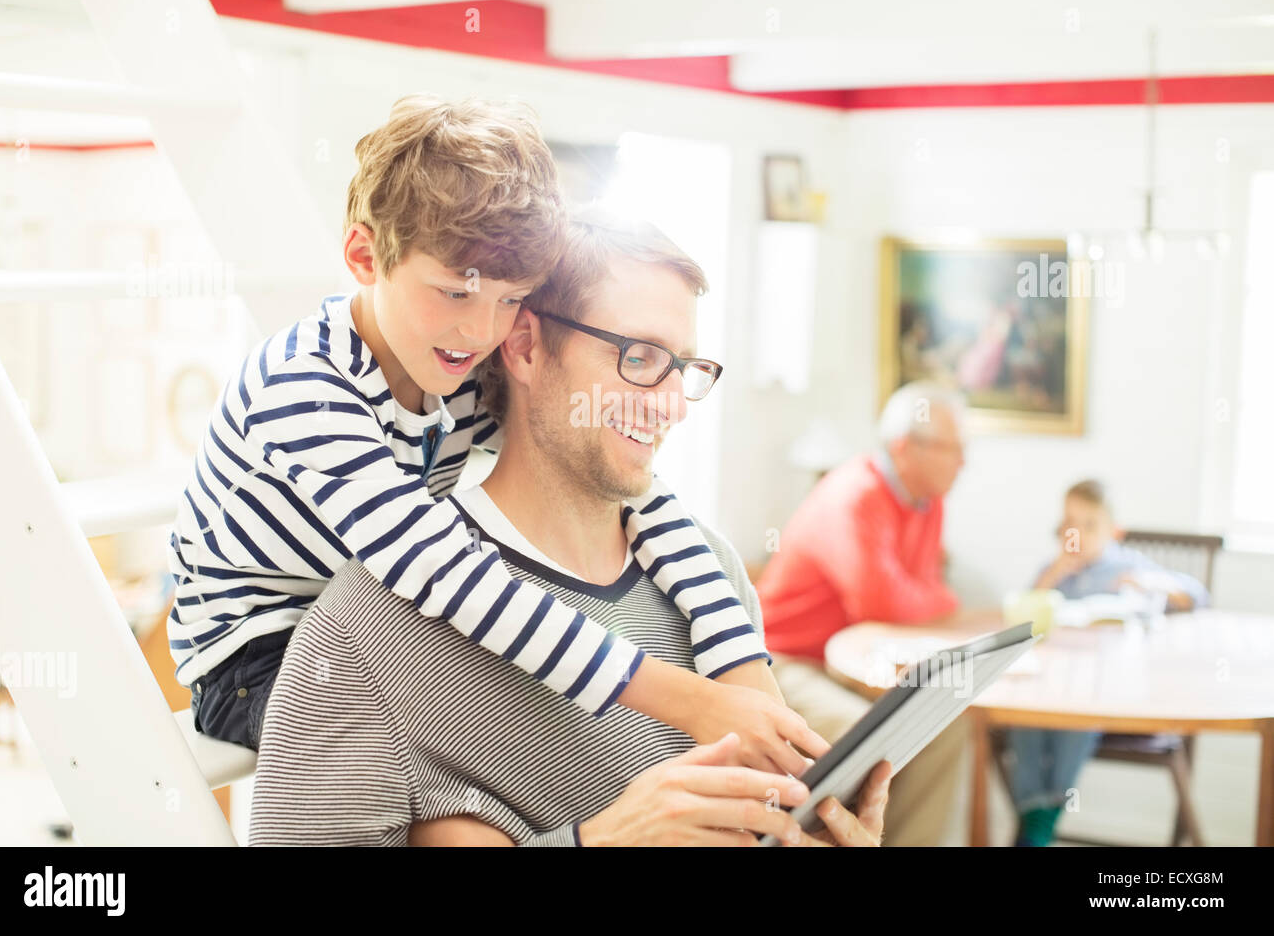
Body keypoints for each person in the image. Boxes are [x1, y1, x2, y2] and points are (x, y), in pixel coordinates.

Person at [166, 95, 819, 770]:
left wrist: (743, 670)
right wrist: (694, 704)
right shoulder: (303, 391)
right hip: (250, 659)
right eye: (454, 292)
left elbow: (635, 497)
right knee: (460, 742)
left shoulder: (459, 365)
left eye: (509, 300)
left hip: (361, 622)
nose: (482, 332)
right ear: (364, 256)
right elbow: (444, 573)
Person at [249, 211, 887, 846]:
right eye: (638, 357)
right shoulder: (366, 633)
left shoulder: (711, 573)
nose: (669, 406)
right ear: (525, 347)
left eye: (685, 369)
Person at [756, 381, 973, 846]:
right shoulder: (854, 496)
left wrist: (925, 598)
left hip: (851, 665)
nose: (963, 461)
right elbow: (885, 602)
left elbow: (916, 600)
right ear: (903, 448)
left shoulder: (928, 503)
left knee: (948, 725)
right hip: (785, 663)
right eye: (952, 448)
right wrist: (940, 600)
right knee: (878, 742)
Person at [1005, 478, 1210, 847]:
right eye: (1069, 523)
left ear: (1114, 531)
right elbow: (1022, 615)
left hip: (1105, 692)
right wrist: (1052, 575)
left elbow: (1197, 595)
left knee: (1077, 716)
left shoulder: (1128, 567)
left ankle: (1042, 817)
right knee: (1023, 715)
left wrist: (1153, 585)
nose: (1077, 534)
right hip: (1052, 683)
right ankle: (1037, 807)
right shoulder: (1056, 572)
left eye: (1089, 524)